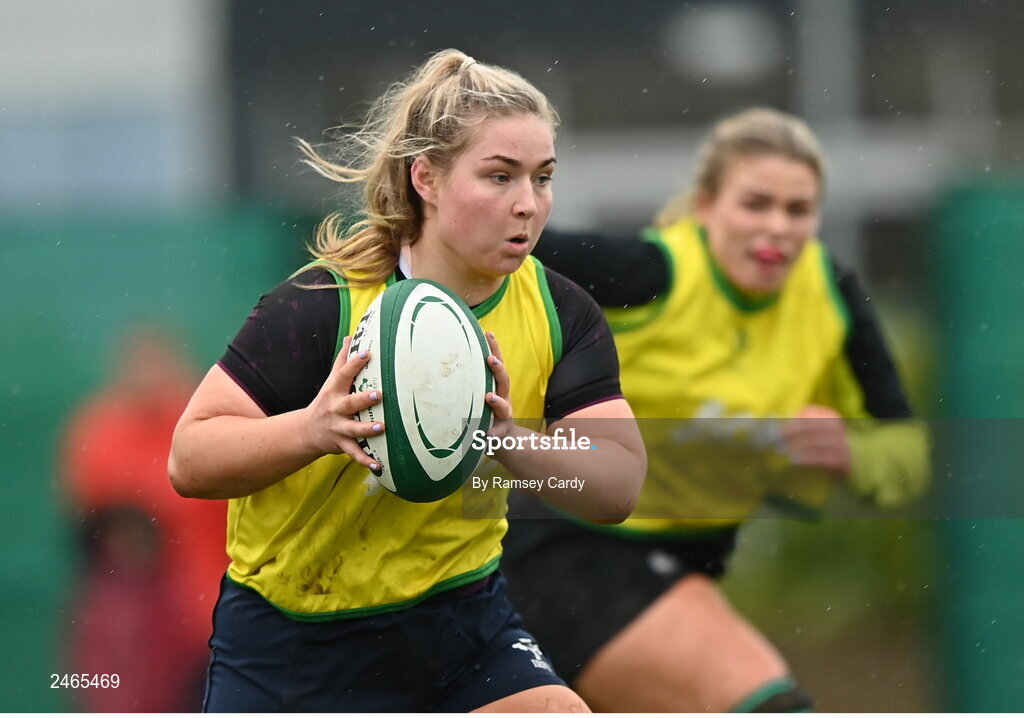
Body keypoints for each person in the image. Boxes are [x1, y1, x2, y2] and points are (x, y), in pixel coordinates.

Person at [168, 48, 646, 713]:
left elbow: (617, 483)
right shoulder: (323, 305)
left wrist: (509, 436)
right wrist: (312, 429)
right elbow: (189, 459)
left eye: (543, 178)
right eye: (500, 177)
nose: (528, 205)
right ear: (426, 177)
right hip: (295, 649)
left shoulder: (560, 312)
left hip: (460, 627)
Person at [502, 107, 931, 713]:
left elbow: (906, 453)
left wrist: (854, 454)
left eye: (798, 210)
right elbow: (499, 244)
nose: (777, 227)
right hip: (572, 546)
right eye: (755, 204)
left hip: (684, 566)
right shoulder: (653, 274)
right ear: (704, 207)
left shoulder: (830, 294)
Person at [59, 324, 228, 712]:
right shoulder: (100, 435)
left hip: (210, 618)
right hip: (137, 630)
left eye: (158, 363)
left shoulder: (203, 427)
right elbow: (94, 533)